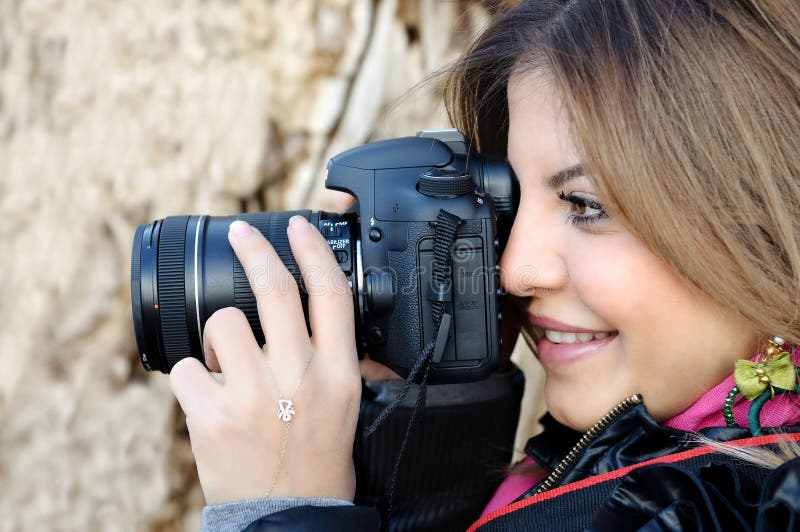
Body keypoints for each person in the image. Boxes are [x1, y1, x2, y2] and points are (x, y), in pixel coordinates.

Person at [168, 1, 800, 530]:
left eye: (585, 205)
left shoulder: (732, 510)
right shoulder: (670, 471)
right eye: (511, 206)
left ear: (763, 220)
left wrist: (283, 513)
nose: (514, 270)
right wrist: (429, 412)